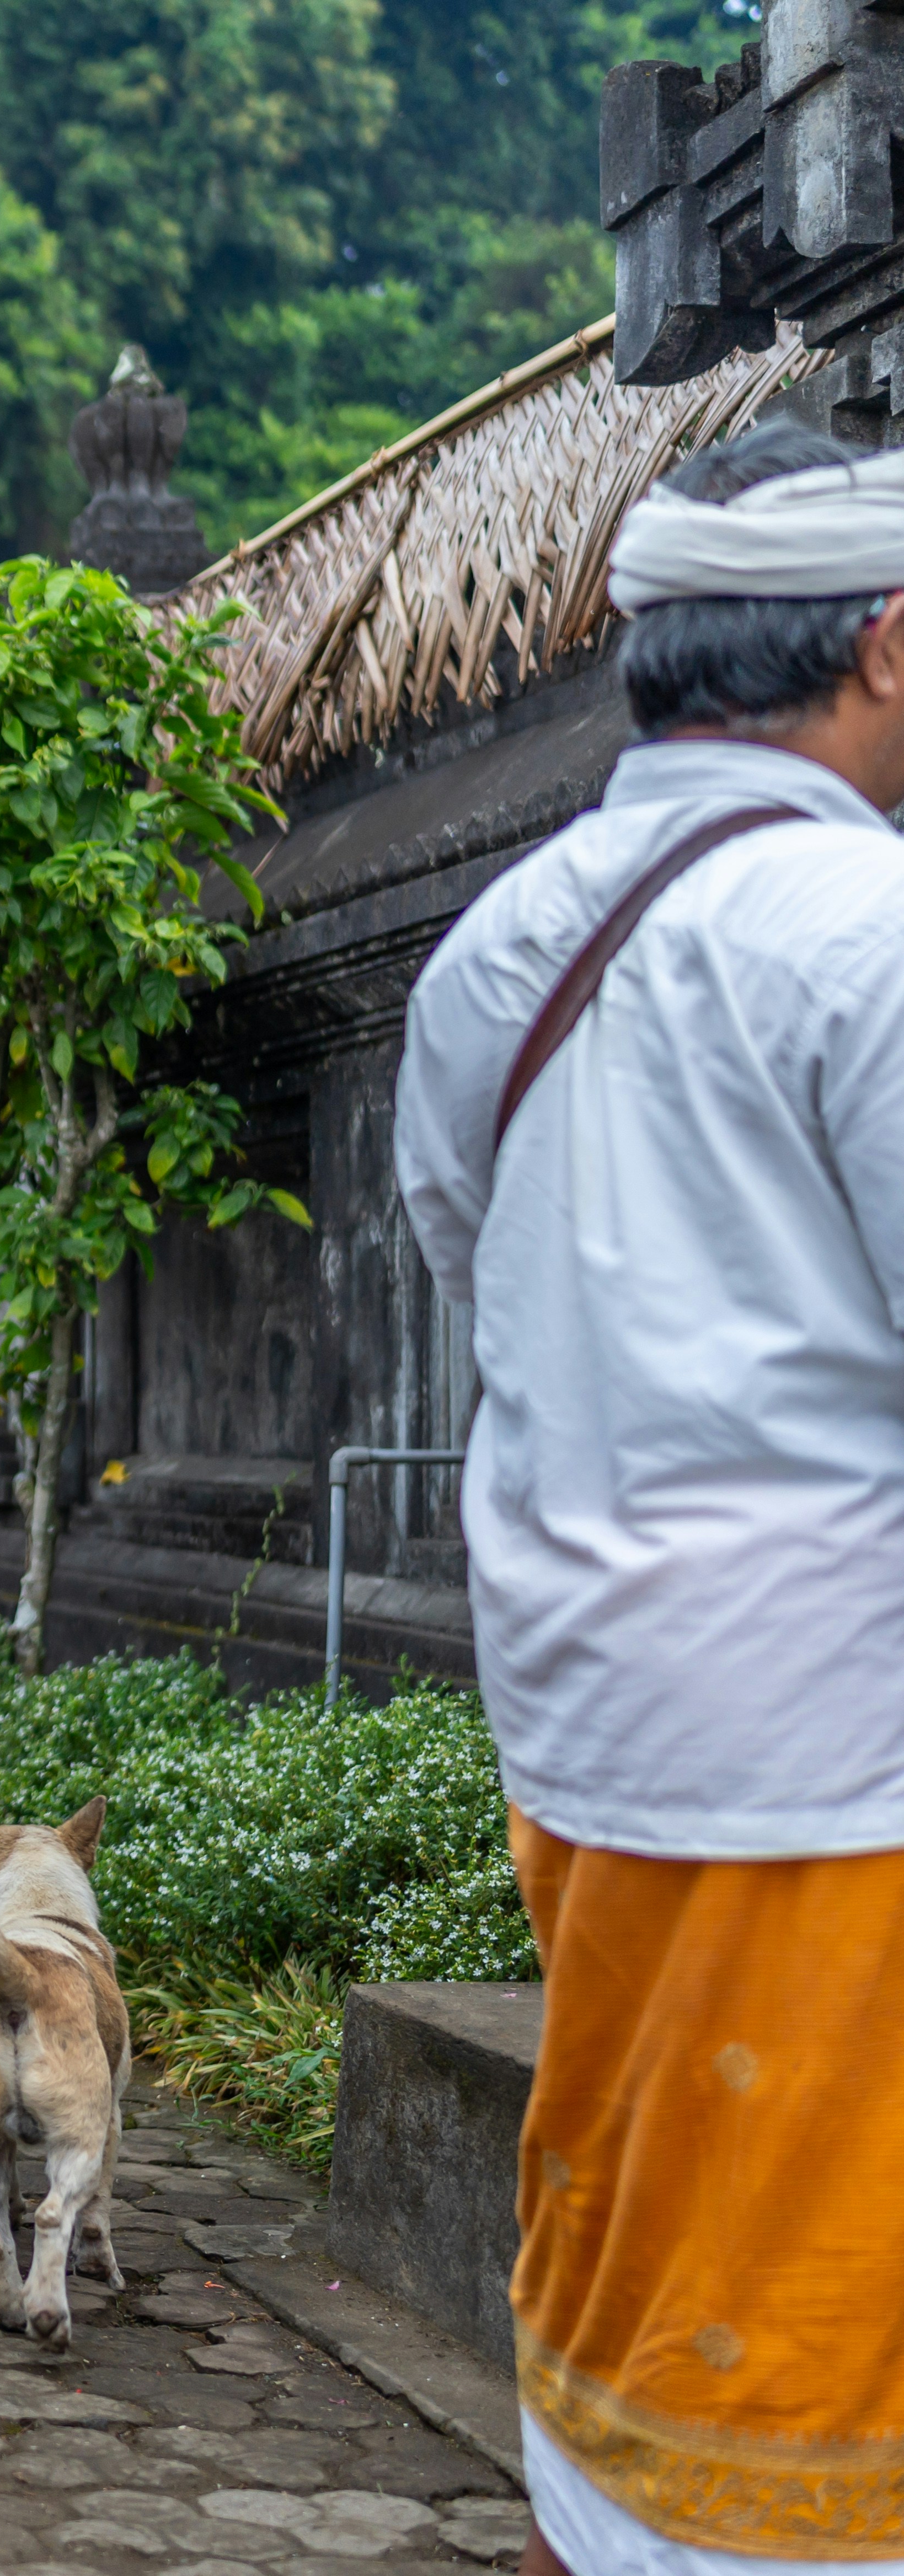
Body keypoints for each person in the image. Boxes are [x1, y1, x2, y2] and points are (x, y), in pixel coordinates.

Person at [397, 422, 904, 2576]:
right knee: (796, 2344)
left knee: (630, 2234)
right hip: (831, 1754)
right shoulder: (863, 921)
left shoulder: (492, 946)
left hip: (588, 1721)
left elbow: (468, 1278)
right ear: (888, 646)